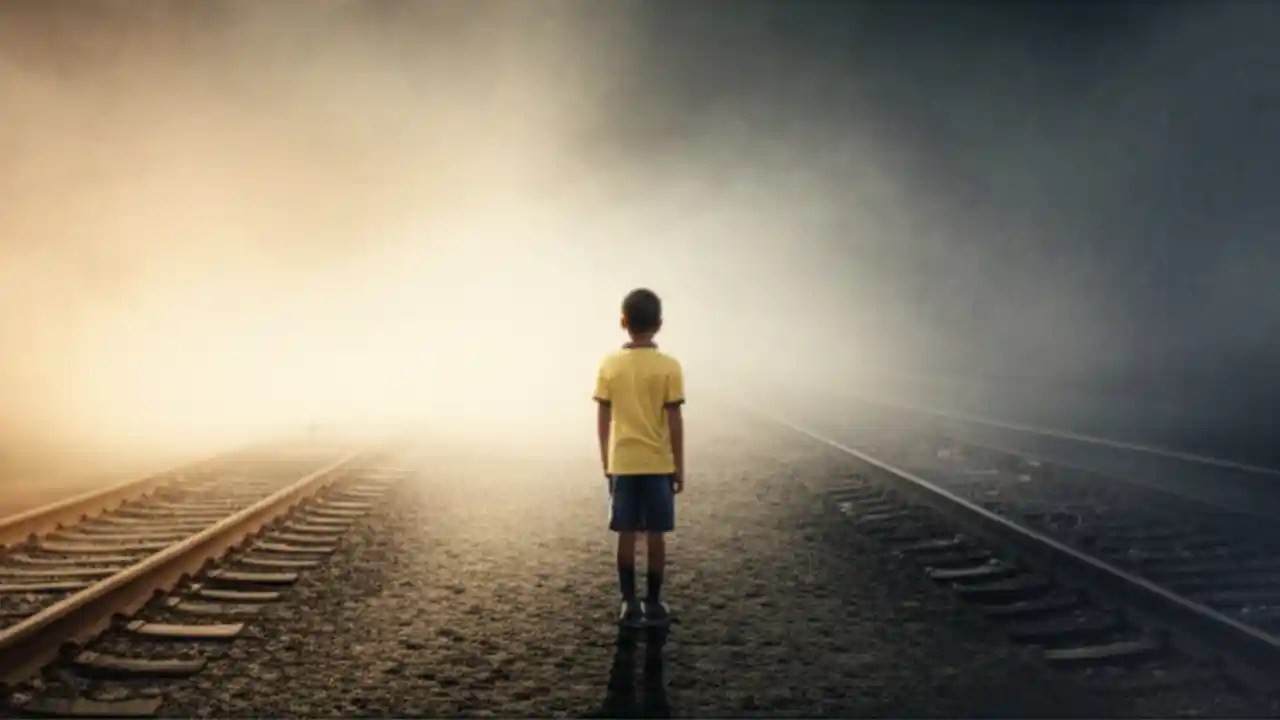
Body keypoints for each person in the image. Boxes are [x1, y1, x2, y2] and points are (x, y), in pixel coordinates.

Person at [593, 288, 685, 628]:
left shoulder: (609, 364)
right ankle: (654, 602)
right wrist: (679, 466)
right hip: (658, 463)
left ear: (623, 321)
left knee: (627, 534)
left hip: (623, 462)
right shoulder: (670, 367)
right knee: (657, 534)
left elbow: (603, 417)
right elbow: (674, 421)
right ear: (659, 324)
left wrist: (607, 460)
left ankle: (628, 603)